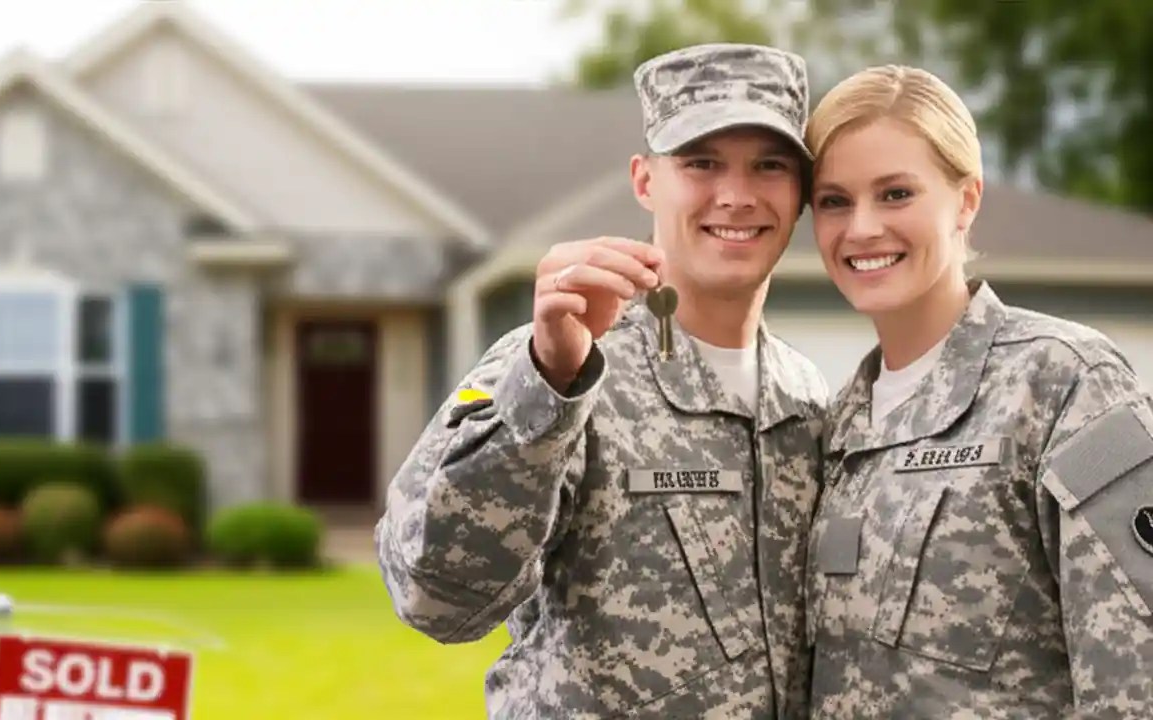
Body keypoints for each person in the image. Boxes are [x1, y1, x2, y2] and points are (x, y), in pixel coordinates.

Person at [375, 44, 828, 719]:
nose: (736, 195)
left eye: (770, 165)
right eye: (701, 162)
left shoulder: (808, 398)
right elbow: (434, 598)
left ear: (801, 195)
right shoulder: (551, 365)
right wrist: (548, 385)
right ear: (645, 181)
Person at [802, 64, 1153, 718]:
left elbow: (1137, 673)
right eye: (834, 201)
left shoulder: (1065, 383)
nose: (862, 228)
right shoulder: (837, 426)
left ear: (966, 200)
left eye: (896, 193)